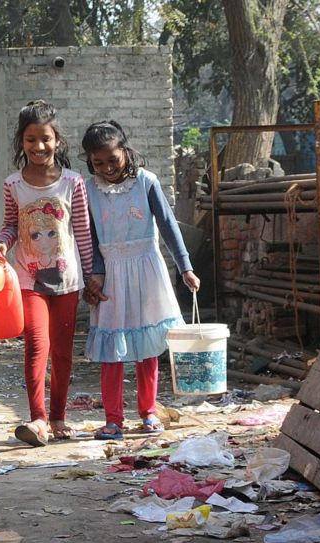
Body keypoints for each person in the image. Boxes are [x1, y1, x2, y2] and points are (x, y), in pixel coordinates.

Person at [80, 121, 201, 440]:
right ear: (90, 161)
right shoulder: (88, 189)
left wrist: (185, 267)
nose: (106, 168)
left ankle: (148, 412)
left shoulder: (146, 182)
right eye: (98, 163)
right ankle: (113, 419)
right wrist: (93, 273)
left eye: (113, 160)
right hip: (111, 274)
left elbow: (168, 225)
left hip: (147, 269)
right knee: (112, 349)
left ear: (126, 151)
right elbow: (89, 236)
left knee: (147, 349)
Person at [0, 100, 93, 447]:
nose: (39, 146)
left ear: (57, 140)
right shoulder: (13, 184)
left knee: (63, 352)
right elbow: (11, 227)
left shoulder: (73, 183)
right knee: (37, 346)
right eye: (31, 139)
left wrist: (93, 276)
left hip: (67, 281)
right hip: (28, 280)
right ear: (21, 141)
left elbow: (84, 233)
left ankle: (59, 416)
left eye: (45, 139)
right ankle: (38, 419)